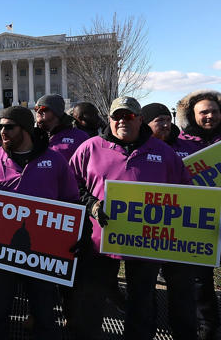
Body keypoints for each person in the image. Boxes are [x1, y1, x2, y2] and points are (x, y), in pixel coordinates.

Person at [68, 97, 191, 340]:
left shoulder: (163, 152)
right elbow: (72, 185)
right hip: (98, 242)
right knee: (90, 302)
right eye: (117, 116)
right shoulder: (90, 147)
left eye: (129, 116)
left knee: (142, 302)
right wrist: (91, 203)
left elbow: (185, 192)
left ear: (140, 119)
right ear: (110, 120)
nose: (122, 120)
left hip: (146, 242)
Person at [0, 106, 78, 340]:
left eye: (8, 127)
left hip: (43, 254)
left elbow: (71, 201)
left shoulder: (54, 160)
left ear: (25, 129)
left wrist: (78, 234)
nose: (2, 132)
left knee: (44, 315)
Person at [140, 102, 200, 340]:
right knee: (144, 292)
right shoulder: (139, 148)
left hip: (180, 232)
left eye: (168, 119)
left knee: (183, 291)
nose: (165, 124)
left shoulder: (186, 147)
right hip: (147, 232)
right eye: (159, 120)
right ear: (145, 123)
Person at [176, 90, 221, 340]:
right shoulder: (178, 143)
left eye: (214, 111)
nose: (210, 116)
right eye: (204, 112)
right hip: (197, 224)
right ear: (193, 115)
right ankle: (209, 330)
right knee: (201, 282)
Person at [34, 94, 89, 160]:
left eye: (43, 108)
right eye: (36, 108)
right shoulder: (31, 137)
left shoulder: (80, 137)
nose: (38, 111)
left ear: (56, 112)